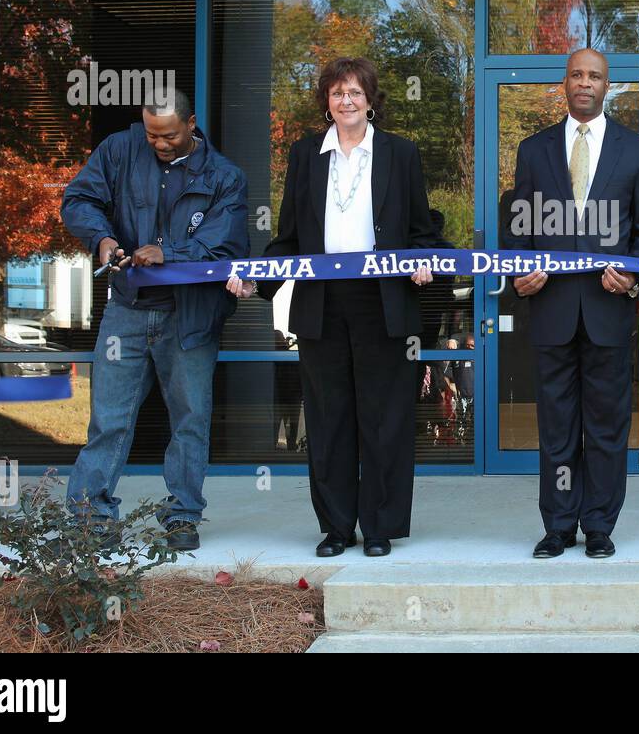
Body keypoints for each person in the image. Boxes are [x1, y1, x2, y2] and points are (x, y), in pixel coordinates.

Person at [228, 56, 437, 558]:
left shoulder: (400, 153)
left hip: (382, 302)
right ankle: (337, 527)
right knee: (328, 419)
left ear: (371, 100)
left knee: (383, 418)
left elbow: (422, 231)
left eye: (356, 92)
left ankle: (380, 527)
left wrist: (426, 263)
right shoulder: (305, 155)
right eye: (338, 92)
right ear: (327, 101)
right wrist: (255, 278)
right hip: (321, 303)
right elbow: (289, 237)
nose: (347, 101)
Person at [60, 90, 249, 552]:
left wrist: (170, 253)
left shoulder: (224, 176)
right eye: (151, 135)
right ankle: (89, 520)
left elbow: (227, 246)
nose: (159, 144)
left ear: (191, 124)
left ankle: (182, 515)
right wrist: (102, 238)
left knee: (189, 419)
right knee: (108, 419)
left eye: (169, 136)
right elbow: (79, 199)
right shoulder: (120, 149)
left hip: (191, 316)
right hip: (127, 308)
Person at [504, 48, 639, 559]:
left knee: (606, 427)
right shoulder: (533, 150)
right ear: (565, 83)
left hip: (607, 311)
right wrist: (519, 276)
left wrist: (633, 277)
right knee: (556, 428)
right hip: (551, 311)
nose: (585, 83)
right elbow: (518, 228)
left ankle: (598, 525)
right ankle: (557, 526)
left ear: (606, 86)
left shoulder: (637, 151)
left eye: (594, 76)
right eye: (577, 74)